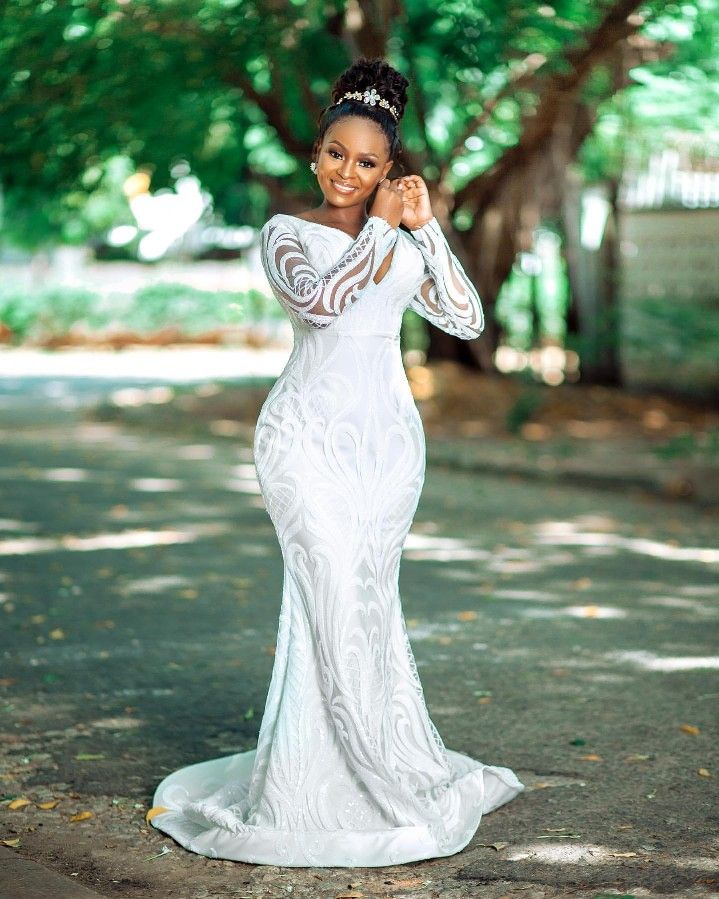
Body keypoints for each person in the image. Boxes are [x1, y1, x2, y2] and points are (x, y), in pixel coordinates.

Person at [150, 56, 524, 868]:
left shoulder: (401, 235)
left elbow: (465, 317)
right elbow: (323, 305)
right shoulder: (286, 234)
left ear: (391, 168)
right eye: (335, 154)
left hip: (388, 448)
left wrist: (425, 227)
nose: (347, 172)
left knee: (366, 602)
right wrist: (383, 231)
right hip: (306, 443)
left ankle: (377, 768)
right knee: (326, 600)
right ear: (316, 150)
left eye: (368, 162)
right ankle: (309, 786)